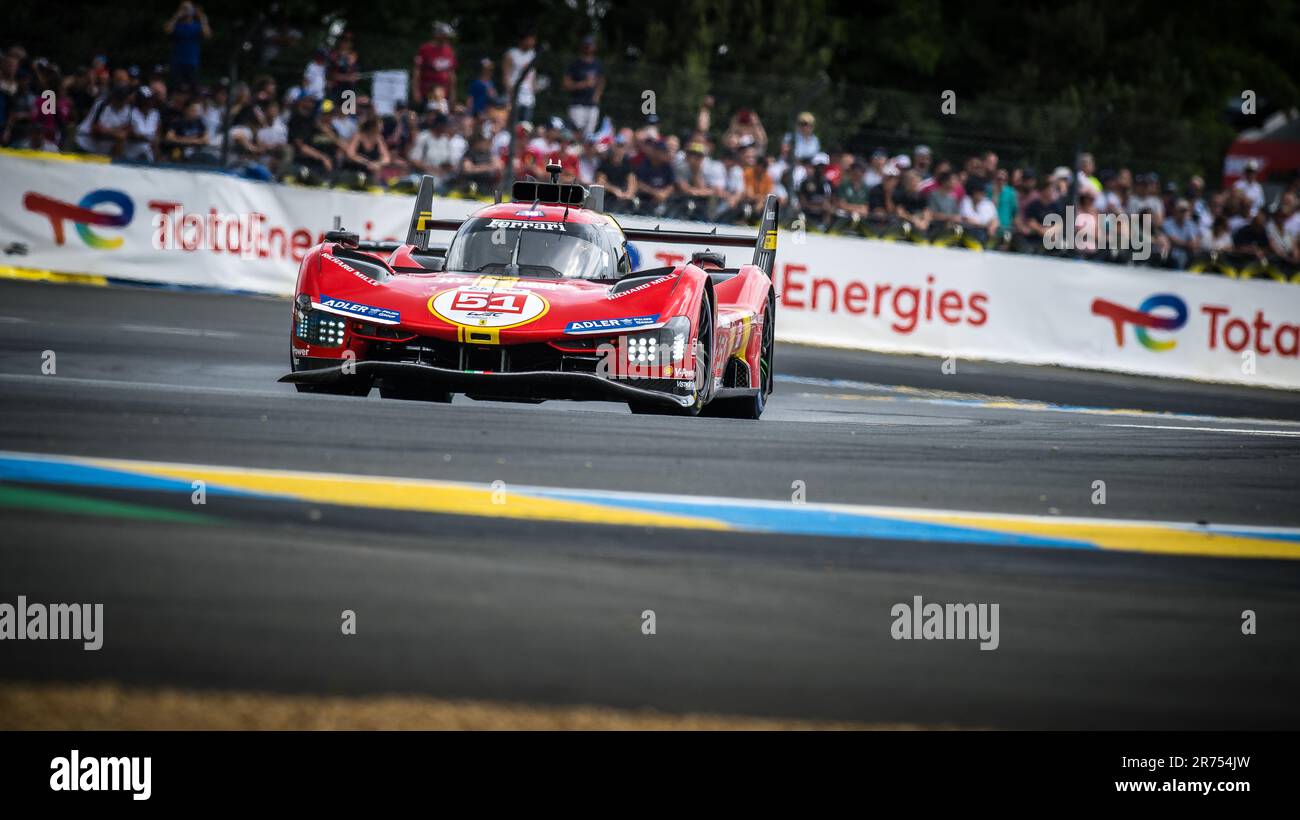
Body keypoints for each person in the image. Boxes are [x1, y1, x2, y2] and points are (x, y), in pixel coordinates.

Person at [564, 35, 604, 136]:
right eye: (586, 45)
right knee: (576, 132)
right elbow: (567, 84)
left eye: (590, 45)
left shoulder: (597, 64)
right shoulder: (575, 64)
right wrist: (583, 84)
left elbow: (601, 81)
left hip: (591, 104)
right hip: (577, 103)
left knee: (589, 134)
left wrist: (597, 95)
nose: (588, 48)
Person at [164, 2, 210, 90]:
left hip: (192, 63)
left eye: (188, 8)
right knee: (176, 89)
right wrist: (176, 16)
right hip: (177, 63)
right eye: (184, 8)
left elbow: (207, 34)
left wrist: (202, 18)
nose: (186, 11)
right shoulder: (177, 25)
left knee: (193, 89)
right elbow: (167, 30)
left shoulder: (197, 26)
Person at [414, 23, 457, 109]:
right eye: (445, 36)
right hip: (427, 93)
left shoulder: (449, 50)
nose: (447, 38)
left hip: (444, 94)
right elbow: (417, 71)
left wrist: (453, 93)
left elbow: (451, 73)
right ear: (438, 35)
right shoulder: (425, 49)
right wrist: (416, 91)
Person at [502, 31, 538, 123]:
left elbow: (533, 73)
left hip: (528, 95)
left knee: (526, 124)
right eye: (530, 40)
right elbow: (506, 75)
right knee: (513, 122)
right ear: (523, 40)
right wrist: (509, 91)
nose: (532, 42)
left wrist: (534, 87)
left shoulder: (532, 54)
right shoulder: (511, 54)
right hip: (515, 92)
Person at [595, 135, 638, 212]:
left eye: (621, 146)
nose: (619, 149)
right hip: (608, 197)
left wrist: (629, 193)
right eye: (617, 146)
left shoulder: (627, 164)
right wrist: (614, 190)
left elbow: (632, 181)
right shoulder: (605, 163)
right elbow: (600, 182)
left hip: (624, 198)